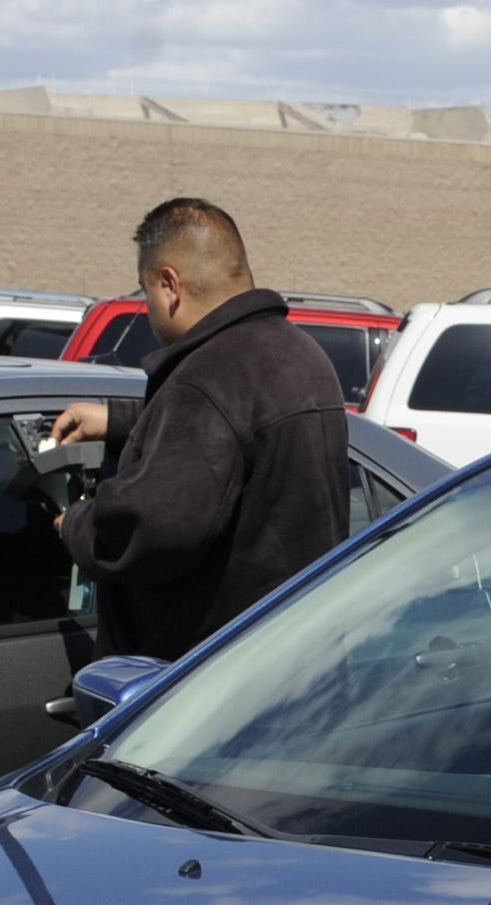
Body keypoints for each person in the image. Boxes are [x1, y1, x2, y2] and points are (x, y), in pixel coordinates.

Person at [47, 197, 348, 659]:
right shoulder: (303, 356)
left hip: (212, 683)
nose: (147, 309)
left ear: (170, 284)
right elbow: (233, 442)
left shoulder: (207, 377)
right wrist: (119, 420)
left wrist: (79, 524)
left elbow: (148, 533)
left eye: (145, 291)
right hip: (296, 655)